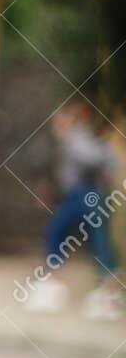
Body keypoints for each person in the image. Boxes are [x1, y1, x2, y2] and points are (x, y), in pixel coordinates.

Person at [27, 100, 122, 320]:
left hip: (86, 195)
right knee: (65, 234)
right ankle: (58, 282)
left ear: (70, 120)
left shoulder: (76, 138)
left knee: (90, 239)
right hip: (76, 195)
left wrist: (101, 169)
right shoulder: (72, 140)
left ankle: (106, 292)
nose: (56, 126)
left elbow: (98, 158)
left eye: (60, 120)